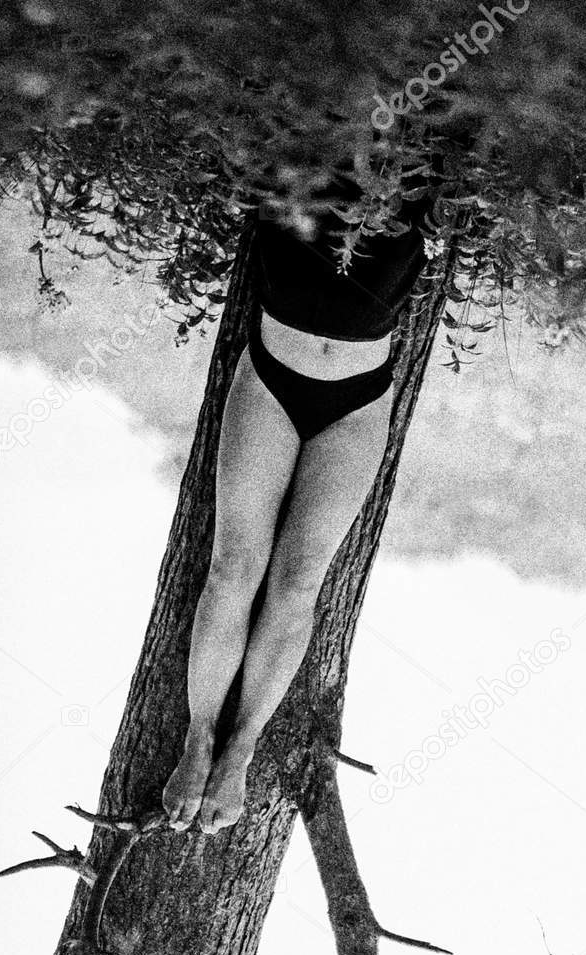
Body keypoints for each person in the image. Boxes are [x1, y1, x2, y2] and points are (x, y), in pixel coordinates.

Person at [162, 149, 439, 833]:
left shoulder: (418, 168)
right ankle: (199, 739)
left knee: (297, 580)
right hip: (271, 381)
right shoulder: (297, 143)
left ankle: (240, 750)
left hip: (357, 402)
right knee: (234, 566)